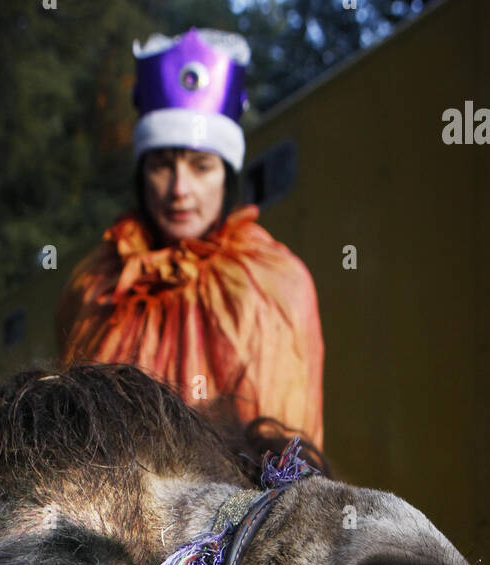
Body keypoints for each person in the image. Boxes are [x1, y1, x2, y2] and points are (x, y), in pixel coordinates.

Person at [56, 28, 325, 452]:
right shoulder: (93, 285)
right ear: (142, 173)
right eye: (162, 166)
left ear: (227, 177)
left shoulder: (275, 282)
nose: (180, 188)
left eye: (201, 167)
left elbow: (286, 457)